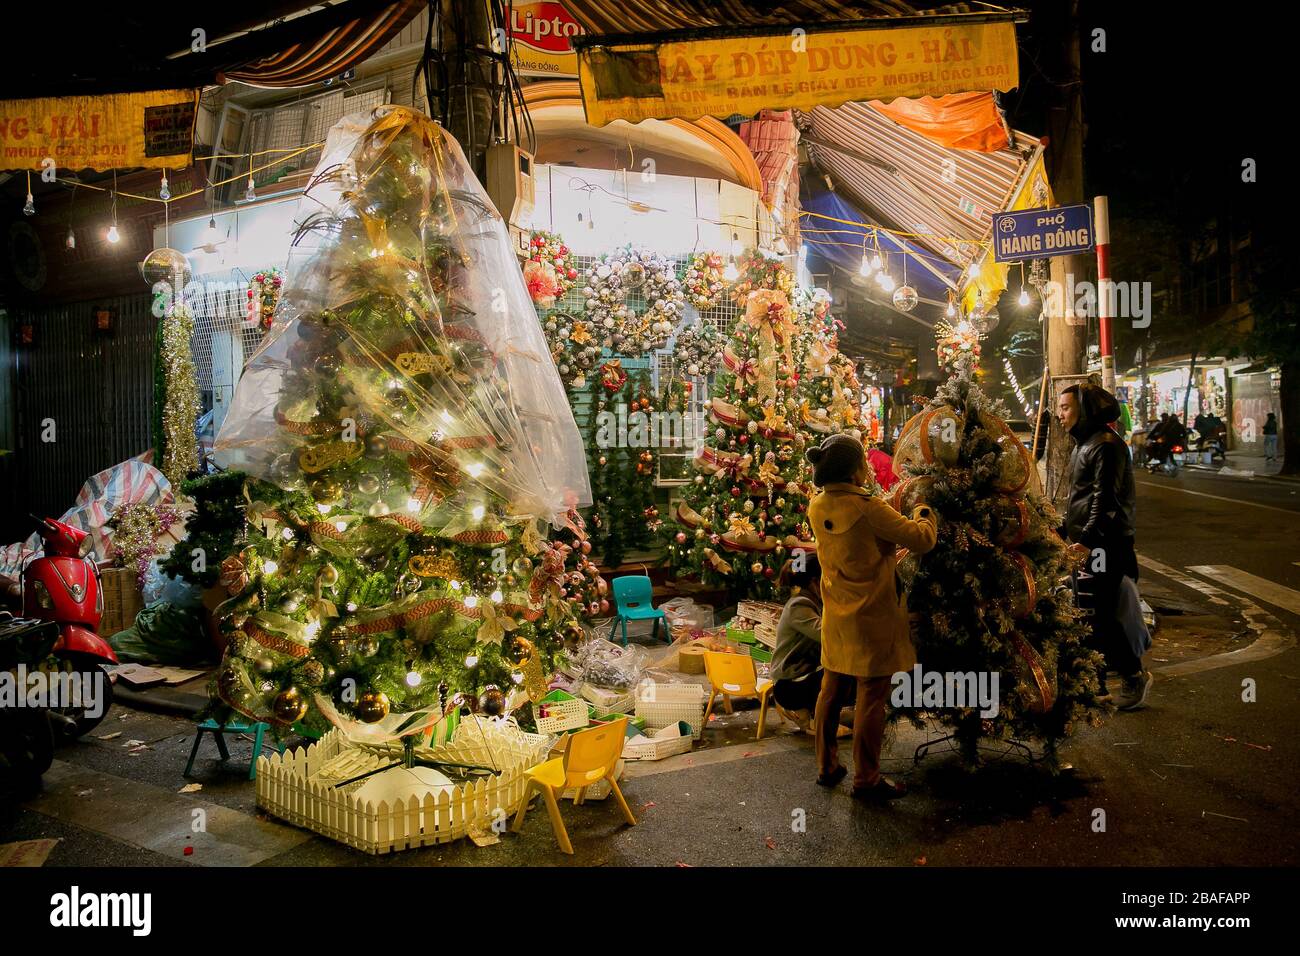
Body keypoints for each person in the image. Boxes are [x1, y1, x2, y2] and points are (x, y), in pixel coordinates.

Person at [805, 433, 937, 800]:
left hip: (837, 614)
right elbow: (921, 539)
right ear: (854, 470)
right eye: (863, 462)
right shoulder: (868, 507)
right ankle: (867, 779)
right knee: (871, 696)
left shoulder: (817, 506)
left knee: (830, 691)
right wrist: (923, 511)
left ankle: (826, 766)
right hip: (873, 617)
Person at [1057, 382, 1152, 710]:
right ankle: (1095, 684)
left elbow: (1105, 502)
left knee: (1101, 614)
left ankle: (1132, 675)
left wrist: (1086, 542)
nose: (1060, 415)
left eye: (1066, 408)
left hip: (1105, 548)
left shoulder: (1107, 446)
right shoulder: (1084, 444)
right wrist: (1060, 530)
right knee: (1087, 613)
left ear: (1085, 408)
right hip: (1088, 545)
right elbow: (1080, 500)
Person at [770, 554, 848, 735]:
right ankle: (817, 721)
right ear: (815, 582)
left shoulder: (813, 601)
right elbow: (827, 635)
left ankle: (810, 713)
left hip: (802, 672)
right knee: (841, 672)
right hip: (788, 683)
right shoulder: (800, 606)